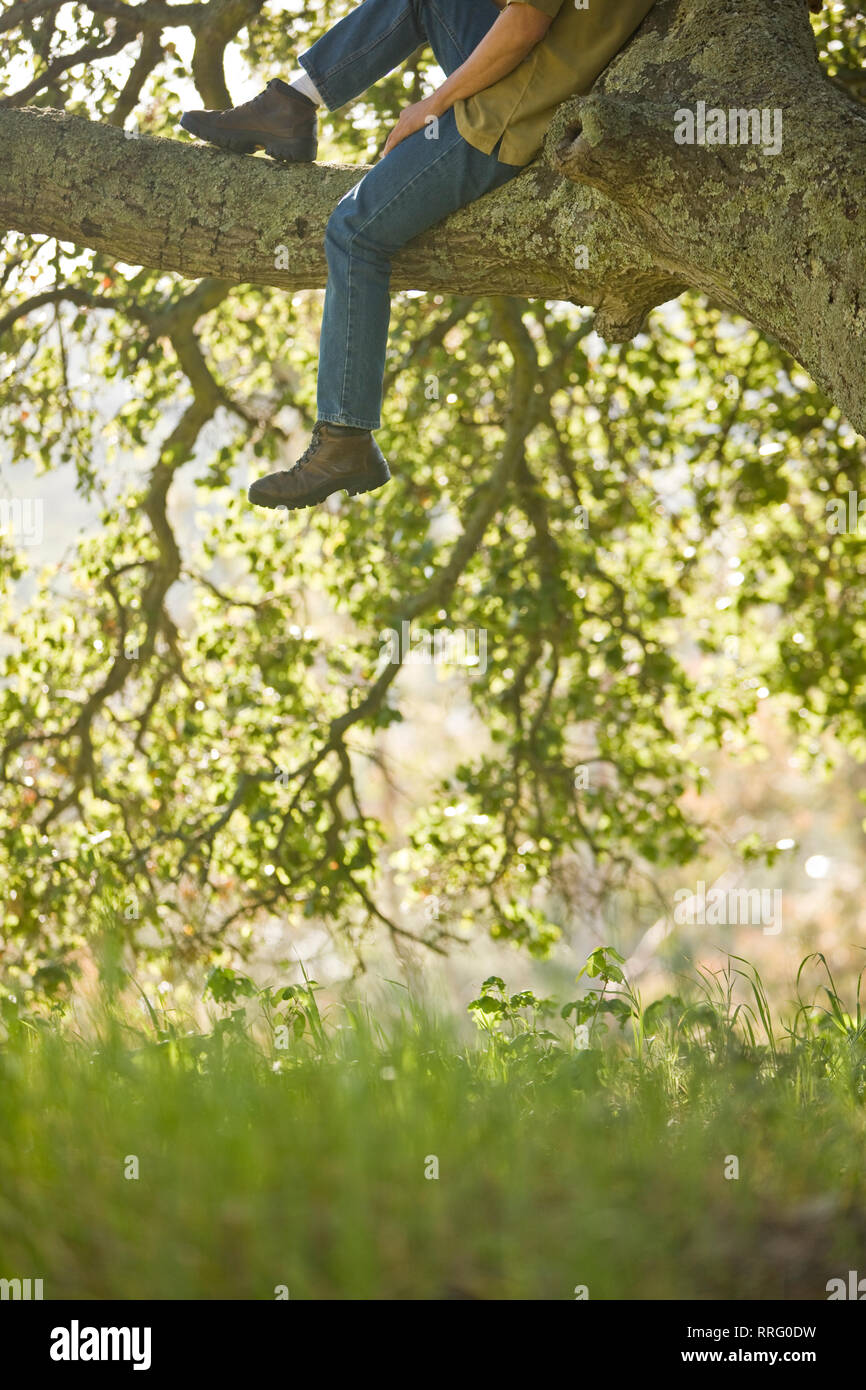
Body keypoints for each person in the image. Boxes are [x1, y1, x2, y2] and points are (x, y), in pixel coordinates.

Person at [180, 0, 657, 511]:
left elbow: (524, 26)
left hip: (510, 110)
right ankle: (291, 106)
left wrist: (431, 106)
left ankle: (346, 440)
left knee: (353, 233)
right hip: (539, 73)